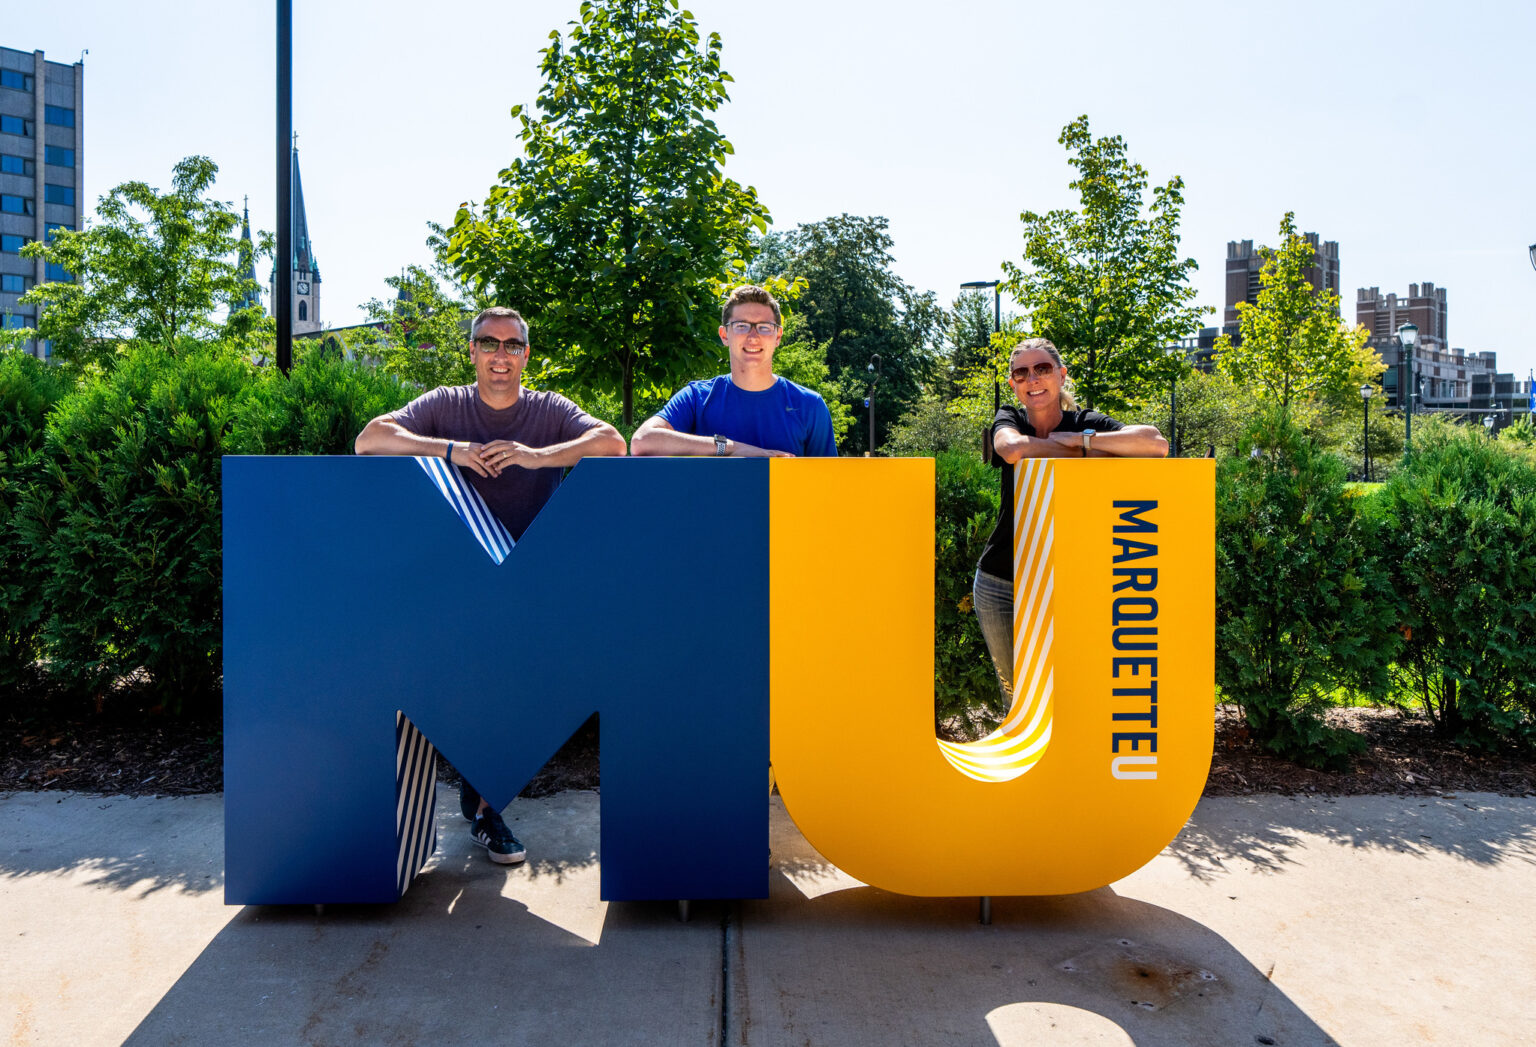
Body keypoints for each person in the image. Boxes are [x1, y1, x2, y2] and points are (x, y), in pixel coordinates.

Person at [354, 306, 626, 864]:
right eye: (488, 343)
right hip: (455, 585)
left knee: (530, 689)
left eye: (511, 345)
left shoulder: (548, 410)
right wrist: (450, 450)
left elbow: (613, 443)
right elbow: (369, 439)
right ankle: (485, 810)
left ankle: (479, 794)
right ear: (472, 351)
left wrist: (537, 456)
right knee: (465, 685)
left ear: (526, 354)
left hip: (530, 583)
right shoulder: (446, 405)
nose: (500, 355)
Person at [972, 338, 1168, 702]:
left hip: (1070, 583)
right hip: (1002, 583)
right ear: (1014, 384)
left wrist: (1081, 439)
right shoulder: (1010, 417)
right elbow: (1012, 449)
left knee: (1071, 695)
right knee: (1017, 698)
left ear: (1061, 375)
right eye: (1022, 373)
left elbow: (1155, 444)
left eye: (1043, 369)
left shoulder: (1087, 423)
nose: (1033, 379)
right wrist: (1085, 451)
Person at [630, 285, 837, 458]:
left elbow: (828, 486)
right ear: (724, 334)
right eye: (741, 326)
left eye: (764, 327)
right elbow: (642, 441)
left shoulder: (809, 405)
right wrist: (733, 448)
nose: (753, 336)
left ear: (778, 336)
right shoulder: (697, 397)